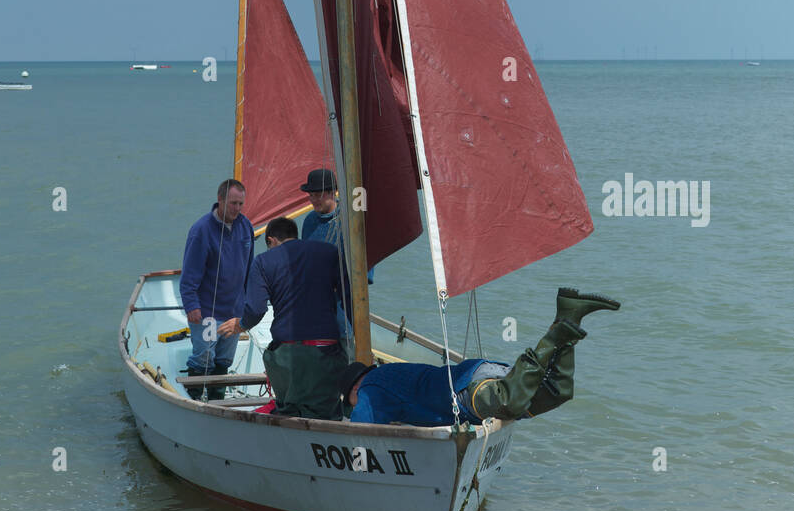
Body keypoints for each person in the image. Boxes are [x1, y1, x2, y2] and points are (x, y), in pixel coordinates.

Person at [339, 288, 620, 425]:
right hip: (484, 372)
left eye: (351, 402)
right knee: (557, 392)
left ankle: (553, 338)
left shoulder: (370, 386)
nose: (356, 404)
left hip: (468, 392)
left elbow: (359, 433)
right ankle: (569, 315)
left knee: (510, 401)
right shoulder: (391, 377)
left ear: (355, 388)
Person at [218, 216, 349, 419]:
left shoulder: (263, 262)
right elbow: (348, 297)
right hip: (328, 350)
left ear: (271, 240)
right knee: (327, 413)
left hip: (287, 355)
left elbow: (256, 309)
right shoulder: (330, 252)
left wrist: (241, 324)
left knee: (289, 412)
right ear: (294, 235)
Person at [180, 178, 254, 400]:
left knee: (224, 360)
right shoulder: (201, 231)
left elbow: (249, 268)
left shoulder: (246, 227)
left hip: (234, 312)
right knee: (204, 358)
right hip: (208, 314)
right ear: (220, 200)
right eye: (233, 203)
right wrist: (191, 305)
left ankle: (217, 401)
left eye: (240, 204)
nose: (237, 209)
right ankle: (193, 398)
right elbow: (189, 274)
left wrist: (249, 303)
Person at [298, 166, 371, 344]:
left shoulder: (350, 222)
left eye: (318, 195)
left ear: (332, 192)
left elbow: (365, 266)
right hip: (315, 308)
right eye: (311, 195)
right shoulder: (309, 222)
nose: (313, 200)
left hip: (344, 309)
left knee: (345, 348)